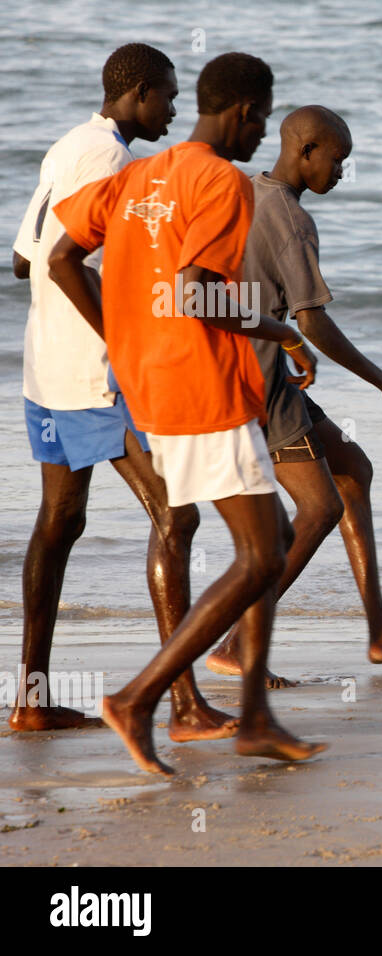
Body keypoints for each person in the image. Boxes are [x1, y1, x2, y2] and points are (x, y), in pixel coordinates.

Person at [49, 52, 325, 773]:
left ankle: (257, 719)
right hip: (202, 387)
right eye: (262, 119)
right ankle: (139, 698)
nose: (262, 135)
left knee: (265, 539)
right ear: (243, 112)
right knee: (262, 553)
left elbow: (56, 258)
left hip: (147, 387)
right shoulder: (222, 181)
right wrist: (280, 331)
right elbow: (200, 293)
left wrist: (120, 332)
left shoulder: (136, 176)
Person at [9, 43, 235, 740]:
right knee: (177, 517)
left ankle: (31, 699)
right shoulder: (116, 162)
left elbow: (23, 260)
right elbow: (63, 259)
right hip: (94, 374)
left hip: (43, 367)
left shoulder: (67, 146)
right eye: (167, 96)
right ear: (136, 93)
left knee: (60, 522)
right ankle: (182, 705)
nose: (175, 109)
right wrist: (129, 335)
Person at [203, 105, 382, 688]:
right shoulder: (289, 216)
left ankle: (381, 633)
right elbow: (313, 323)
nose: (340, 173)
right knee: (320, 507)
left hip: (252, 369)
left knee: (352, 469)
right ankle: (236, 645)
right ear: (305, 150)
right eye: (336, 161)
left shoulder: (245, 190)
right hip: (260, 379)